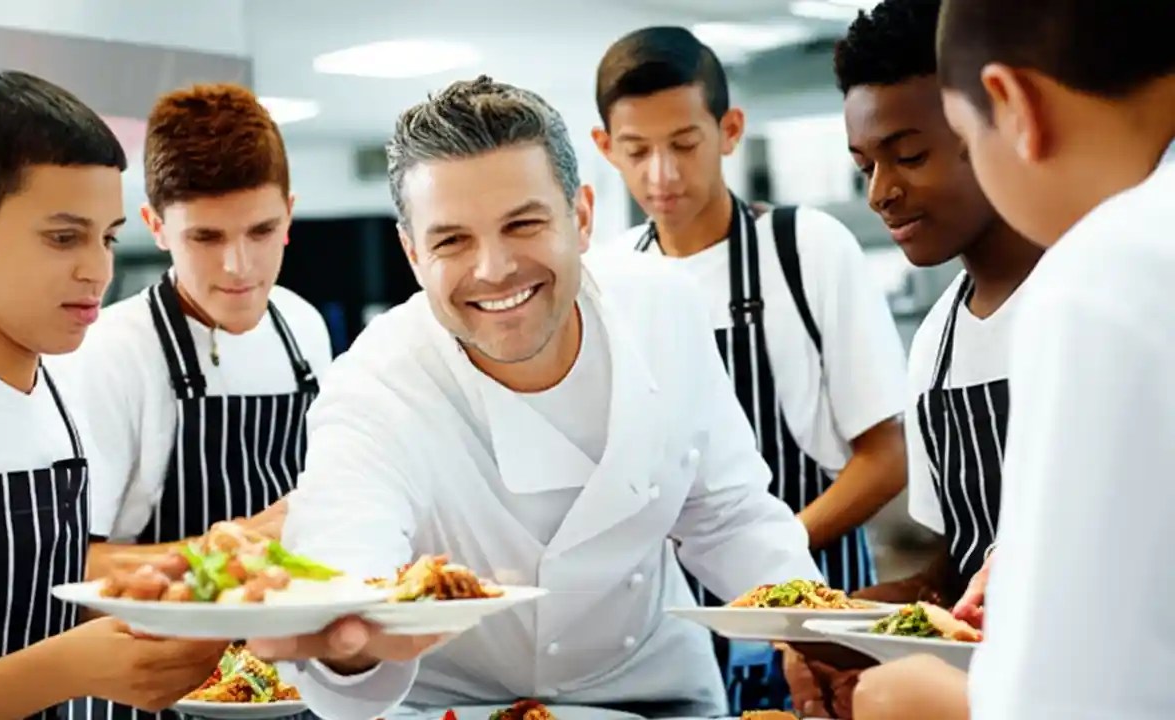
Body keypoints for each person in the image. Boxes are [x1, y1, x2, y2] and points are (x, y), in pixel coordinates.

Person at [243, 75, 822, 720]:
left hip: (653, 698)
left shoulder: (663, 307)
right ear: (412, 254)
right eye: (451, 240)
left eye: (523, 224)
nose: (493, 268)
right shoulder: (376, 381)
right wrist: (346, 642)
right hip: (447, 709)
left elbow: (727, 514)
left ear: (581, 217)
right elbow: (345, 553)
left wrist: (807, 634)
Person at [854, 0, 1175, 718]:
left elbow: (1068, 702)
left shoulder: (1106, 270)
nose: (883, 191)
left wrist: (924, 698)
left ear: (1012, 103)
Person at [589, 25, 909, 711]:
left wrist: (766, 560)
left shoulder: (806, 248)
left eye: (684, 144)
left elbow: (887, 457)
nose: (662, 175)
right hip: (670, 619)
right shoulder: (608, 279)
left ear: (729, 130)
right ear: (603, 149)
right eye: (637, 151)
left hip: (815, 597)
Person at [0, 70, 225, 720]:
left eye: (106, 237)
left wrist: (182, 573)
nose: (99, 271)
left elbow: (37, 575)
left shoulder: (63, 386)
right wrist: (69, 667)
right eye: (63, 237)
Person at [778, 1, 1043, 715]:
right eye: (865, 165)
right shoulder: (936, 342)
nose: (881, 193)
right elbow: (956, 571)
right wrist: (836, 629)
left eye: (910, 155)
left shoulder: (1092, 298)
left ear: (993, 120)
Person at [50, 83, 332, 719]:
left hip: (285, 686)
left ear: (289, 213)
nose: (239, 266)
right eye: (206, 237)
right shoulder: (112, 354)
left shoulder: (303, 327)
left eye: (262, 230)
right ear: (155, 226)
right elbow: (70, 571)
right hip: (150, 695)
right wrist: (231, 548)